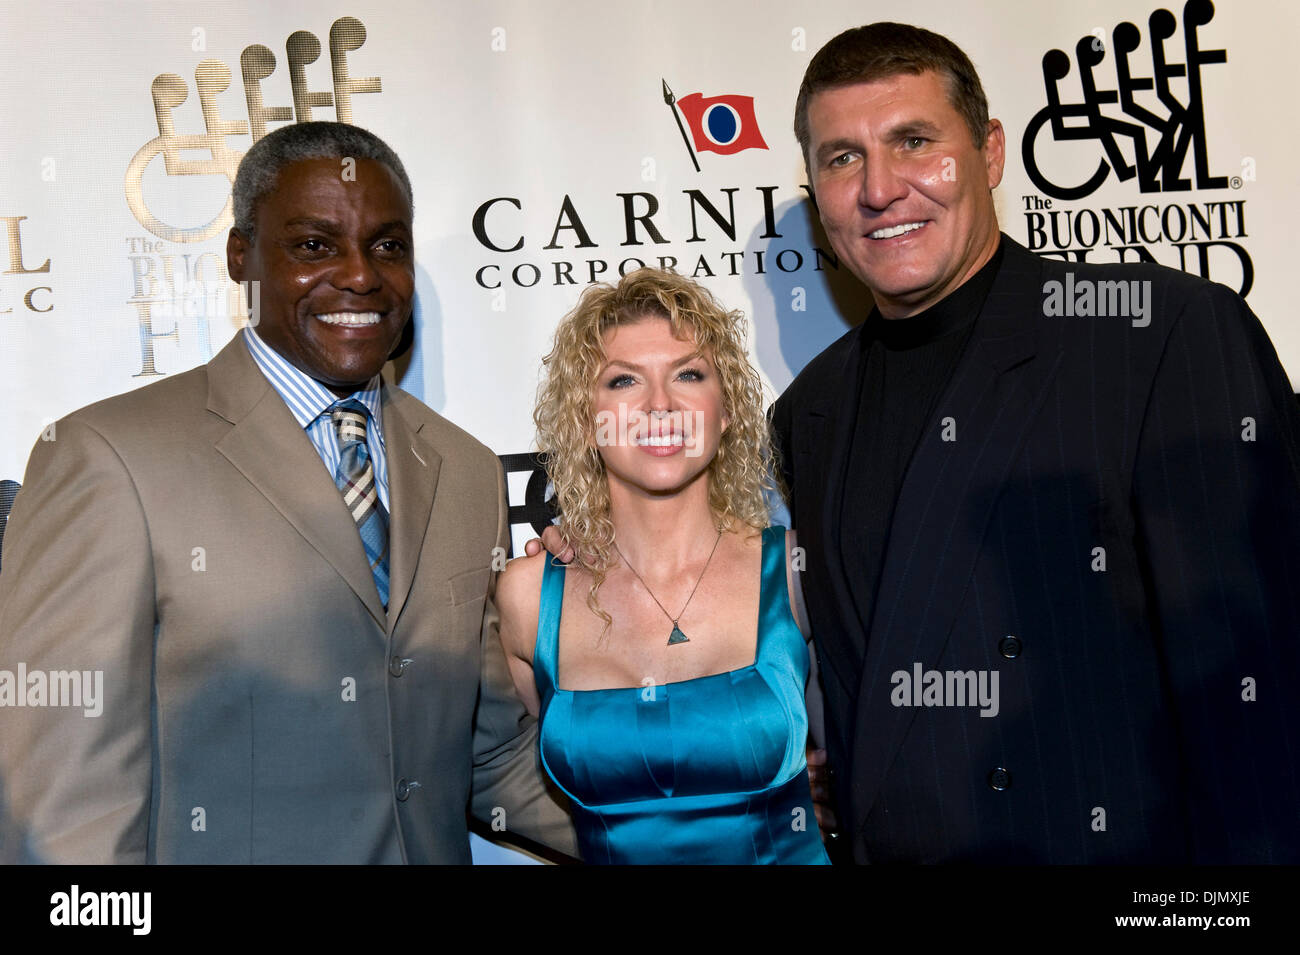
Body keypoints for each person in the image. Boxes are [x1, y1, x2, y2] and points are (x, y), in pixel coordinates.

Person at [540, 22, 1300, 864]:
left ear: (991, 151)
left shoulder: (1159, 333)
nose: (880, 188)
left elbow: (1261, 684)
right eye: (841, 158)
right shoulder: (812, 411)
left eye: (914, 142)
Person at [0, 121, 575, 863]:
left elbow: (488, 758)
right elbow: (61, 812)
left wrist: (701, 835)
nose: (361, 275)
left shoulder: (463, 470)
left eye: (388, 246)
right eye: (314, 245)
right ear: (242, 256)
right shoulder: (109, 458)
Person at [499, 268, 829, 864]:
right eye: (624, 381)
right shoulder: (527, 596)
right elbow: (500, 767)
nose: (659, 405)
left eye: (688, 374)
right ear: (585, 421)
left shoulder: (799, 572)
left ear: (725, 411)